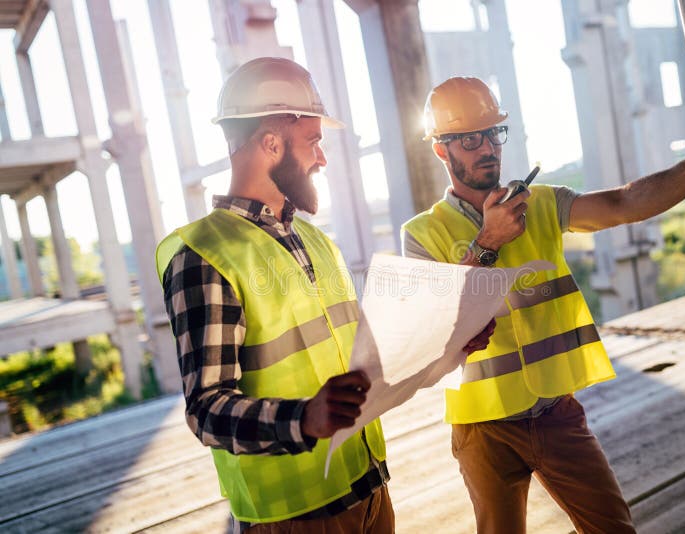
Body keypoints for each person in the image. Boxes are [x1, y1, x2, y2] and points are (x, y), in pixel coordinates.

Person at [157, 57, 494, 534]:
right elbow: (206, 410)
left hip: (368, 486)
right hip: (294, 518)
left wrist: (450, 343)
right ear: (270, 142)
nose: (323, 158)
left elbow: (364, 363)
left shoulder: (317, 242)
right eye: (314, 141)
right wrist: (303, 419)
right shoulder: (203, 255)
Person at [401, 76, 685, 533]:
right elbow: (436, 332)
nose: (487, 148)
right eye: (468, 139)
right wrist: (487, 242)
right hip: (484, 429)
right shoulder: (422, 234)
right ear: (441, 150)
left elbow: (623, 203)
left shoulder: (541, 204)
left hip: (556, 414)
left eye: (492, 133)